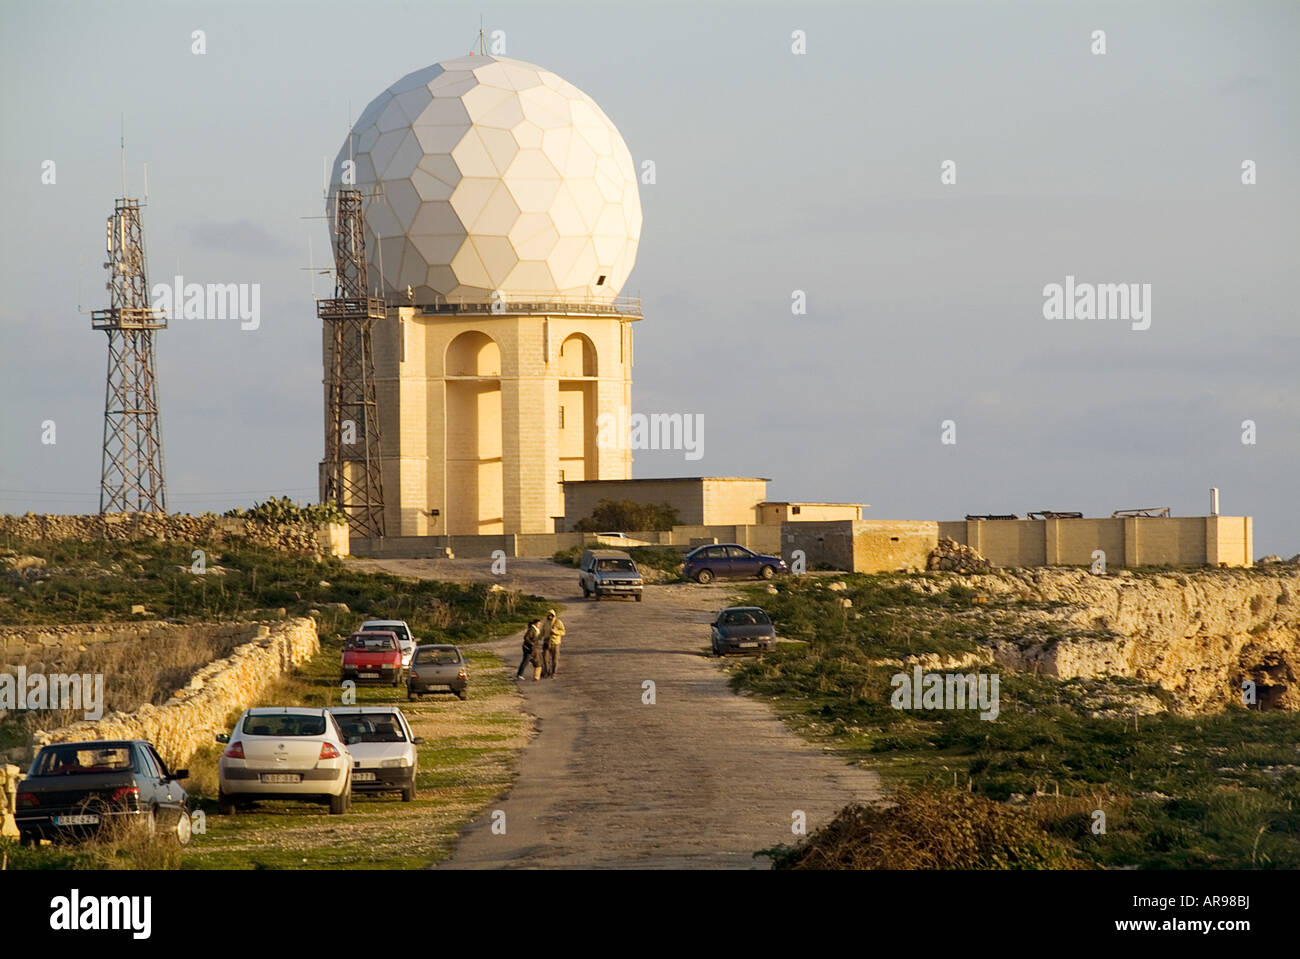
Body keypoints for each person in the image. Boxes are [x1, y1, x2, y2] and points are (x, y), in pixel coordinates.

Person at [540, 609, 566, 678]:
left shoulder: (558, 622)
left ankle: (554, 672)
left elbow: (563, 632)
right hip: (546, 642)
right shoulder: (545, 622)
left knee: (555, 659)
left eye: (551, 615)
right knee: (545, 658)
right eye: (548, 615)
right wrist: (537, 639)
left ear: (553, 615)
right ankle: (547, 672)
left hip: (555, 643)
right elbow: (542, 632)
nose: (549, 616)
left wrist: (555, 632)